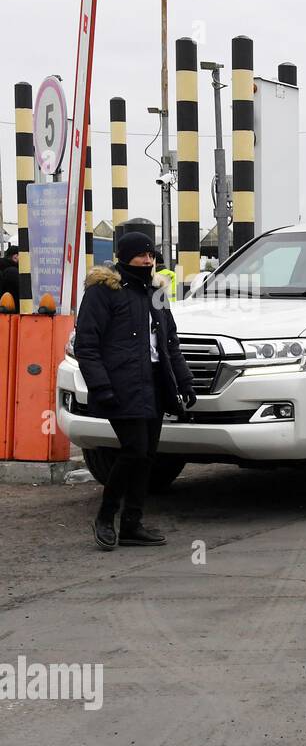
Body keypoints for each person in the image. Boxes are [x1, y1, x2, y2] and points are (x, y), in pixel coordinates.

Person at [74, 232, 195, 551]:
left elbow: (170, 342)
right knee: (134, 450)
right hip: (120, 383)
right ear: (124, 256)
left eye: (151, 254)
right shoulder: (103, 291)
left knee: (147, 456)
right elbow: (86, 345)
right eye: (141, 254)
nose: (148, 260)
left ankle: (132, 524)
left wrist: (185, 382)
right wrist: (100, 385)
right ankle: (105, 516)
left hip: (155, 381)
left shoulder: (156, 290)